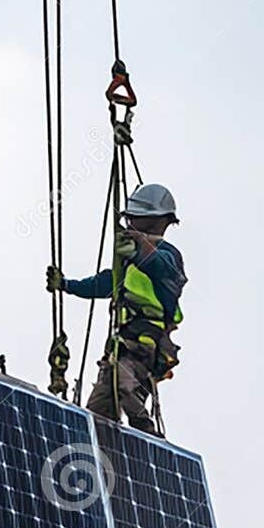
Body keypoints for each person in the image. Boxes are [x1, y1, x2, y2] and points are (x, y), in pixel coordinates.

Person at [47, 182, 186, 433]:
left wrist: (138, 250)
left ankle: (146, 434)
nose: (130, 223)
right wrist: (66, 285)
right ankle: (98, 444)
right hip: (120, 345)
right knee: (100, 406)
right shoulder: (129, 260)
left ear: (157, 221)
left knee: (124, 384)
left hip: (146, 346)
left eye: (135, 218)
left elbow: (162, 268)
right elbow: (104, 283)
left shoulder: (168, 256)